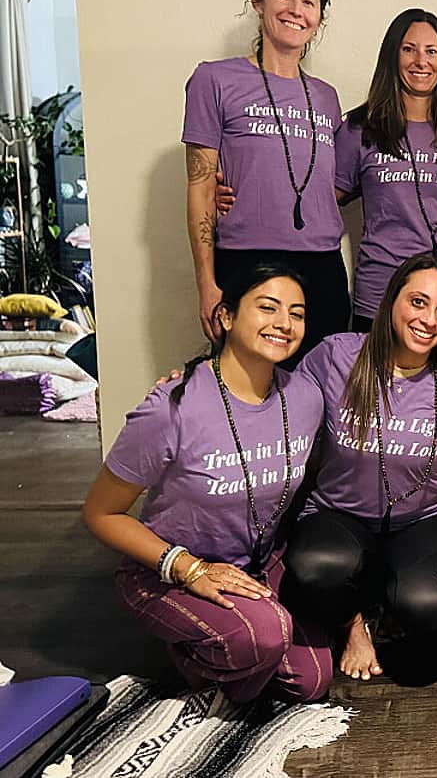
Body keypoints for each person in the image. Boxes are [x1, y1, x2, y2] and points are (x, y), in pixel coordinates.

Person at [82, 264, 330, 703]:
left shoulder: (306, 399)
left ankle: (231, 646)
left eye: (297, 313)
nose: (284, 323)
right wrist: (189, 568)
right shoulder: (172, 407)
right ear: (226, 316)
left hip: (256, 561)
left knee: (310, 680)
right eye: (268, 307)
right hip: (165, 570)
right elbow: (100, 513)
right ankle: (205, 651)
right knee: (263, 638)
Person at [283, 254, 437, 681]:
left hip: (423, 518)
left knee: (427, 622)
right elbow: (275, 399)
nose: (429, 320)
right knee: (315, 569)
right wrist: (207, 381)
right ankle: (353, 623)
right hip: (338, 513)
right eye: (418, 302)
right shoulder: (336, 356)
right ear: (392, 300)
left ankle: (385, 602)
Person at [184, 0, 346, 366]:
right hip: (247, 262)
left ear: (319, 17)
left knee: (323, 389)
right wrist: (206, 283)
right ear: (257, 1)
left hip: (323, 266)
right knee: (248, 388)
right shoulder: (214, 80)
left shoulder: (327, 97)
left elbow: (323, 184)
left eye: (309, 1)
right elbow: (200, 187)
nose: (296, 10)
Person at [335, 10, 437, 331]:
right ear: (392, 55)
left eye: (431, 51)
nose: (421, 61)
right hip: (382, 298)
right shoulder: (360, 129)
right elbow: (319, 205)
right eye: (409, 49)